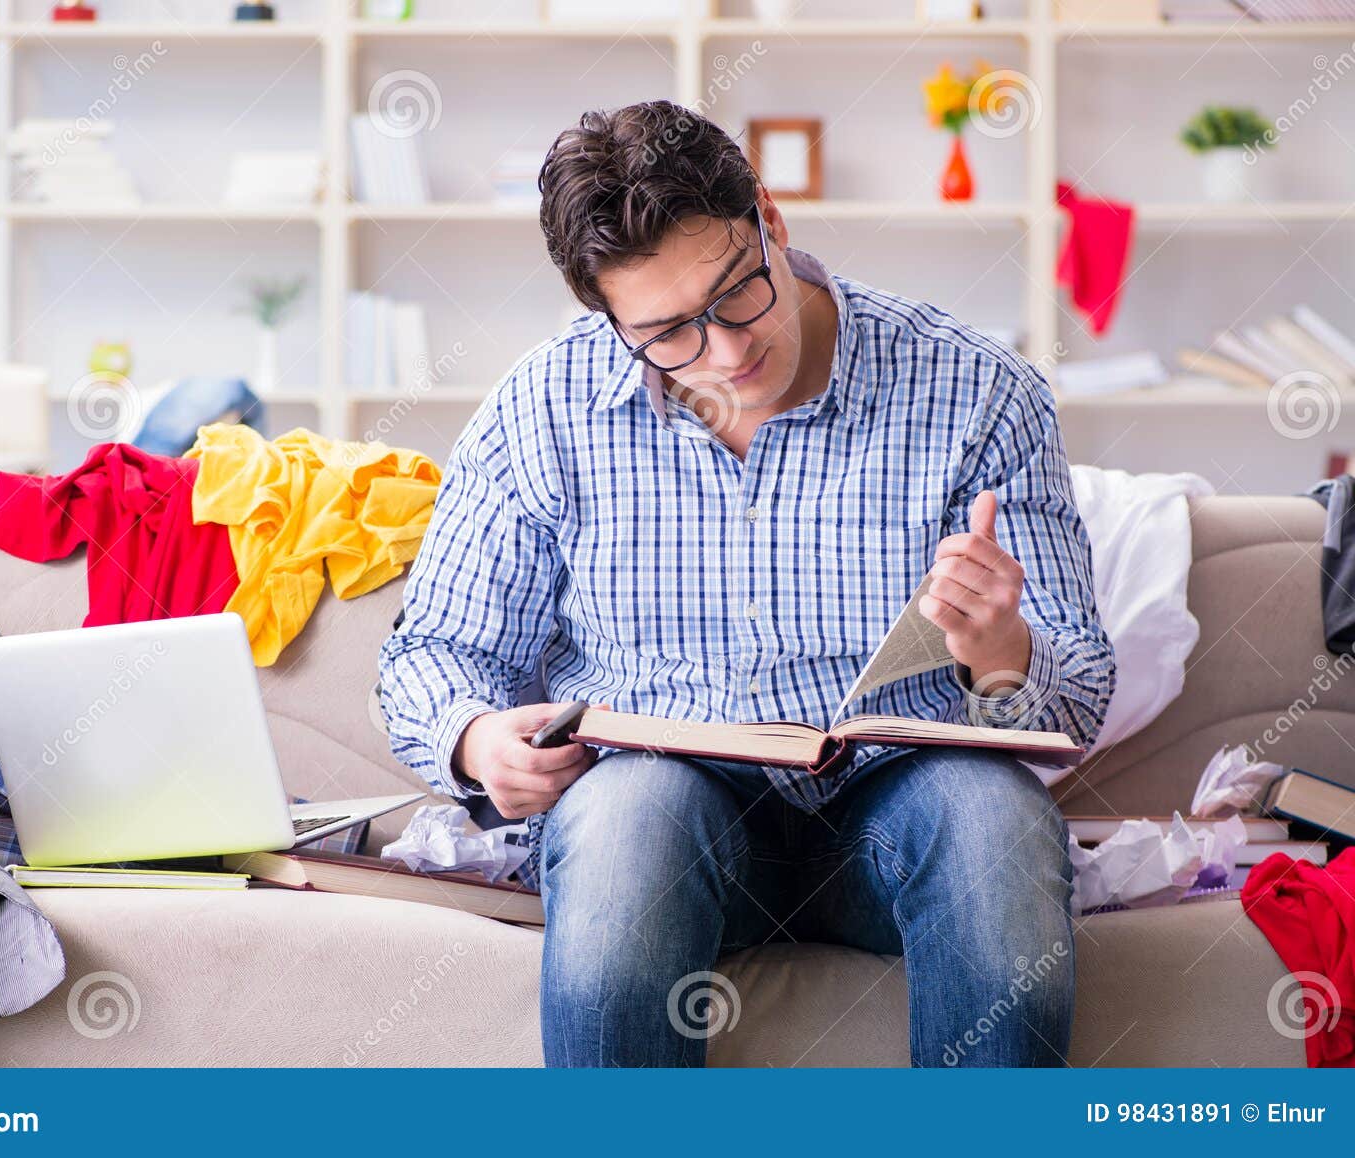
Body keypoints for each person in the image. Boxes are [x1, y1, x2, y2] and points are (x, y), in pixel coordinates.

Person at [378, 100, 1115, 1067]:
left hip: (899, 808)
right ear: (606, 314)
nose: (726, 355)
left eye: (738, 294)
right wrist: (476, 741)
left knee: (993, 830)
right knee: (625, 826)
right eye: (669, 332)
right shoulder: (545, 407)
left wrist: (1003, 655)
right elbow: (436, 652)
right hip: (661, 810)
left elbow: (1082, 694)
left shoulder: (977, 392)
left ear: (769, 217)